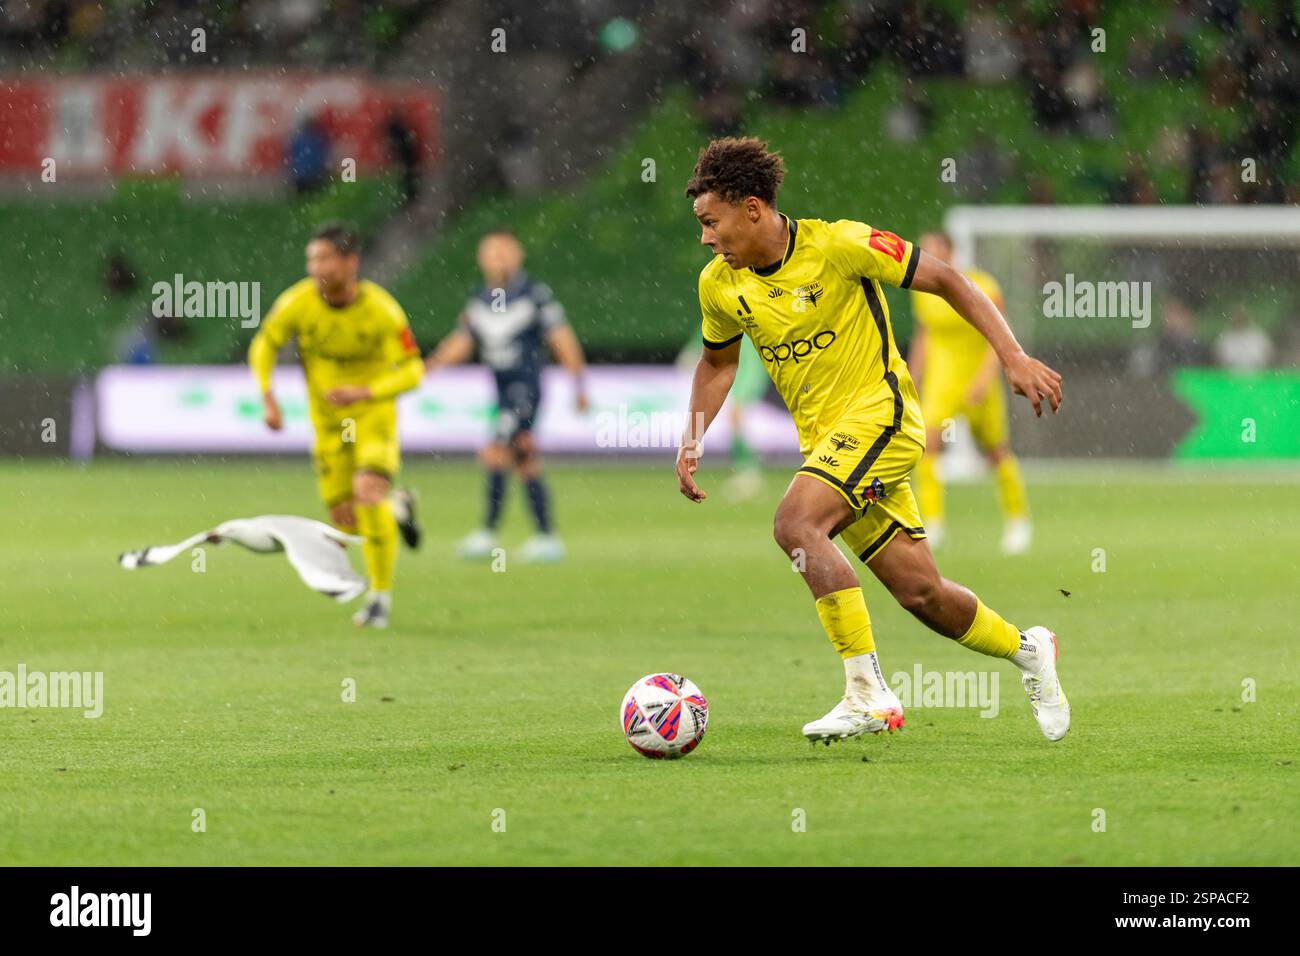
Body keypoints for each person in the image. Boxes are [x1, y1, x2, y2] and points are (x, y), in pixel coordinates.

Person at [676, 137, 1069, 744]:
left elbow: (945, 279)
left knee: (794, 525)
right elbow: (718, 364)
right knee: (922, 593)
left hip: (882, 419)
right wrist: (693, 436)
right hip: (829, 445)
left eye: (711, 222)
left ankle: (868, 694)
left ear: (751, 208)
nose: (706, 238)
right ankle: (1029, 650)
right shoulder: (720, 284)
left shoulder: (839, 244)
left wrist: (1011, 355)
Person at [249, 223, 424, 629]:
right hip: (328, 428)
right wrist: (267, 395)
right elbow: (264, 343)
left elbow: (413, 370)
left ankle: (379, 597)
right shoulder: (298, 302)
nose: (315, 267)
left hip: (373, 420)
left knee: (367, 493)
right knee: (346, 520)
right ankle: (397, 509)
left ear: (350, 262)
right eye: (311, 259)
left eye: (324, 258)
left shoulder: (381, 310)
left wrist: (366, 391)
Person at [424, 228, 588, 562]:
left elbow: (562, 339)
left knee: (498, 451)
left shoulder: (533, 295)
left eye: (504, 252)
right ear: (481, 259)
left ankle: (488, 532)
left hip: (526, 389)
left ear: (518, 256)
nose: (498, 259)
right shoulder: (479, 299)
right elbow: (462, 341)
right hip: (501, 392)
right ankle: (546, 537)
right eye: (491, 253)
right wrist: (429, 366)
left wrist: (579, 383)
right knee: (524, 457)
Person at [909, 231, 1031, 554]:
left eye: (934, 250)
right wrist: (911, 376)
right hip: (942, 381)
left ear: (950, 252)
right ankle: (932, 524)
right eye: (925, 251)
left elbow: (1000, 334)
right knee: (928, 444)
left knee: (996, 452)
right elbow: (925, 335)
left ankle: (1017, 521)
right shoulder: (922, 290)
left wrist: (984, 378)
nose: (927, 256)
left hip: (979, 382)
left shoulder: (982, 285)